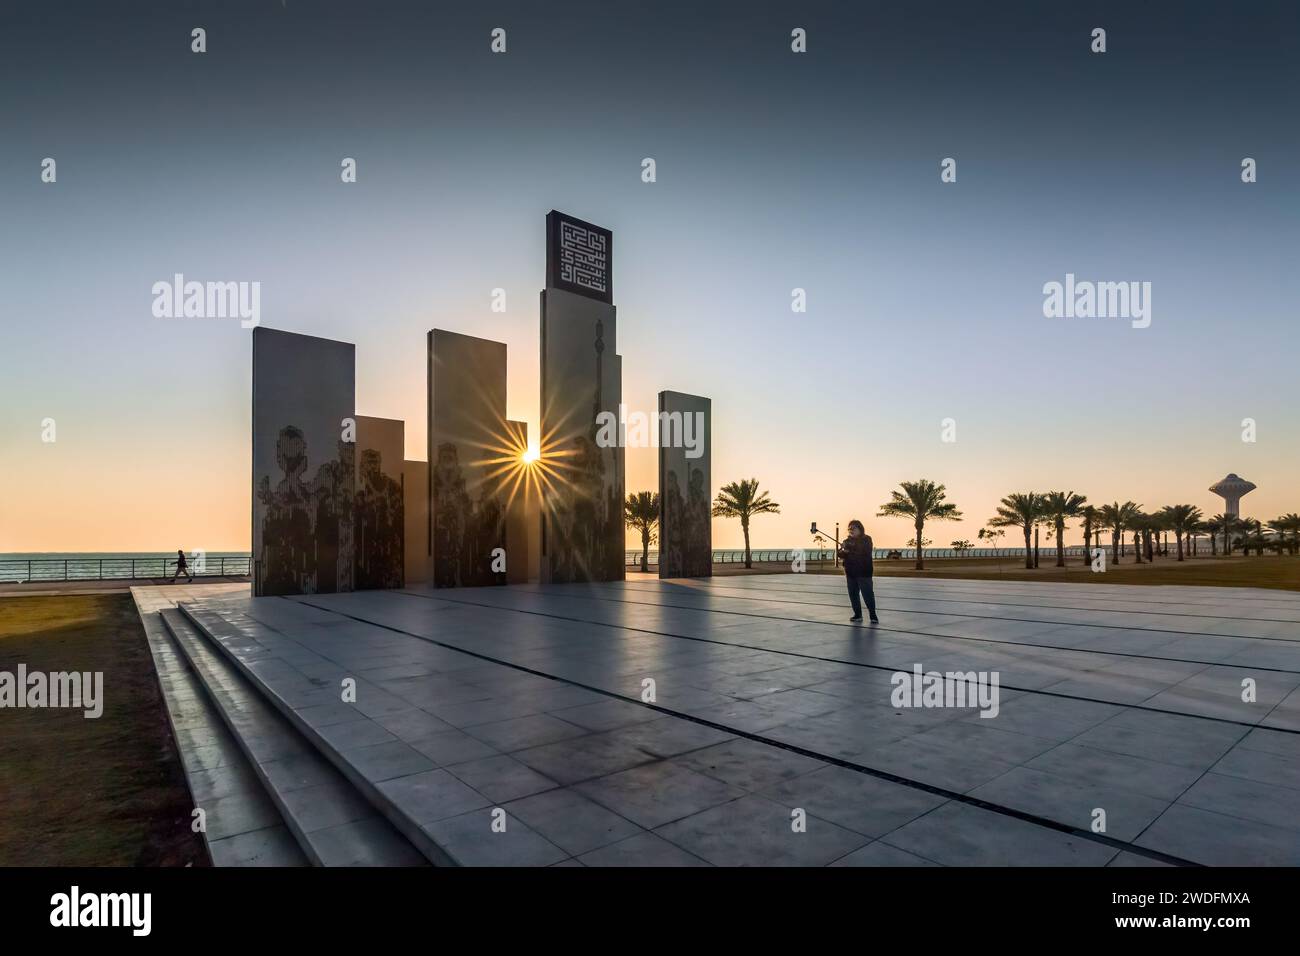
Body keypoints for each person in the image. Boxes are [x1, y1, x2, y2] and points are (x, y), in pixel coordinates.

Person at [838, 520, 879, 624]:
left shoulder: (866, 539)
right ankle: (857, 615)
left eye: (853, 528)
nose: (851, 530)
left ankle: (873, 615)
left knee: (868, 594)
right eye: (849, 529)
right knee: (853, 594)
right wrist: (842, 550)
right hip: (850, 572)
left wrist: (849, 549)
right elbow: (840, 554)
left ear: (860, 529)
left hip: (864, 572)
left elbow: (864, 551)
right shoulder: (847, 541)